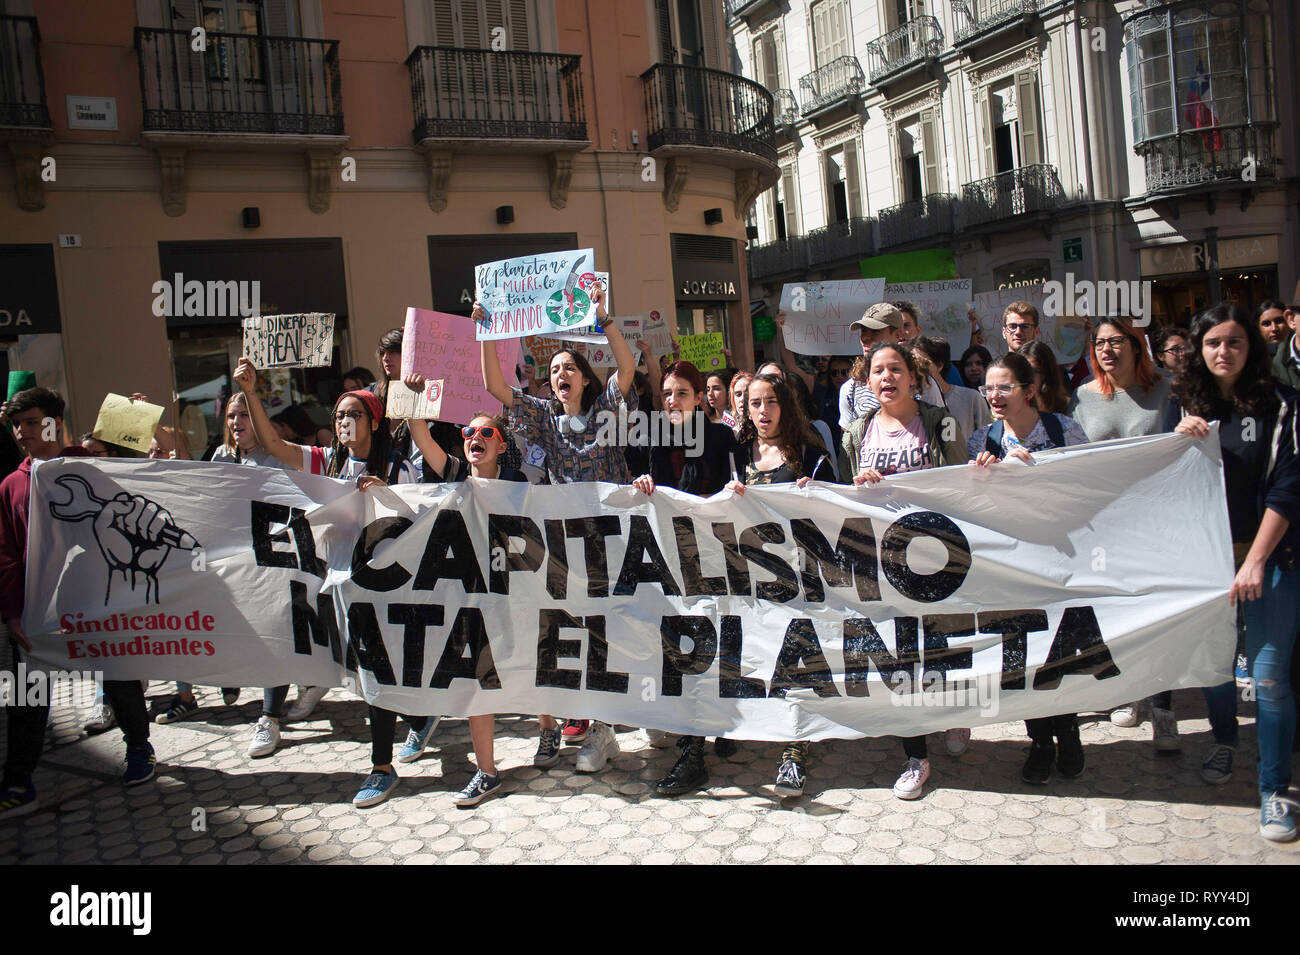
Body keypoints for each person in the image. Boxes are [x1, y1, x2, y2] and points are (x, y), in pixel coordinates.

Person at [234, 358, 433, 808]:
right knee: (367, 671)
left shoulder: (400, 465)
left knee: (377, 670)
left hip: (388, 587)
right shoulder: (325, 461)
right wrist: (250, 391)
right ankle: (416, 717)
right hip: (339, 584)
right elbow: (273, 443)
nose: (343, 422)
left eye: (353, 414)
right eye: (339, 415)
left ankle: (381, 767)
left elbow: (421, 518)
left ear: (374, 421)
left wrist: (386, 495)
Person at [478, 285, 638, 773]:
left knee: (611, 632)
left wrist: (604, 318)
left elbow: (627, 369)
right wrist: (486, 331)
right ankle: (595, 726)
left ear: (587, 380)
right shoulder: (545, 417)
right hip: (565, 546)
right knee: (578, 634)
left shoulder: (607, 410)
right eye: (553, 371)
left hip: (611, 540)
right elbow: (496, 387)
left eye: (569, 368)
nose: (560, 375)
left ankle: (614, 725)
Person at [1168, 304, 1300, 841]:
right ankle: (1225, 742)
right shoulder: (1182, 405)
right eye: (1214, 342)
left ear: (1253, 347)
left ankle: (1274, 790)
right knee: (1217, 670)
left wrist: (1254, 560)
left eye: (1236, 342)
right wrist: (1177, 442)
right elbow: (1157, 484)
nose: (1225, 352)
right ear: (1199, 350)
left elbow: (1289, 487)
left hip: (1270, 564)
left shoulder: (1282, 405)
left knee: (1268, 678)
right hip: (1206, 566)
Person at [2, 388, 156, 821]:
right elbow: (7, 555)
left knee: (118, 679)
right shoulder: (12, 485)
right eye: (16, 424)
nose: (22, 431)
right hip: (36, 614)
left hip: (93, 603)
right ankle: (17, 782)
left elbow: (143, 482)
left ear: (55, 422)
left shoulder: (87, 465)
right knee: (27, 698)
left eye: (32, 422)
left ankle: (139, 748)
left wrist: (133, 416)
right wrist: (13, 612)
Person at [840, 343, 970, 801]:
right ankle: (916, 755)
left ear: (913, 377)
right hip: (886, 563)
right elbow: (845, 500)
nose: (887, 377)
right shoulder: (856, 432)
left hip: (940, 555)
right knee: (903, 654)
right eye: (878, 371)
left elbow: (961, 483)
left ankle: (957, 710)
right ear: (868, 380)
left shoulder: (940, 422)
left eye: (896, 369)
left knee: (943, 641)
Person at [968, 353, 1090, 783]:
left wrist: (1036, 473)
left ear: (1030, 389)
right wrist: (981, 479)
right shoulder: (981, 441)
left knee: (1059, 651)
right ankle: (1039, 740)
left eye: (1005, 387)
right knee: (1021, 655)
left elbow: (1088, 487)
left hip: (1059, 561)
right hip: (1009, 569)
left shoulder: (1063, 429)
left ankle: (1068, 731)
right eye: (989, 388)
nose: (995, 396)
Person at [1068, 316, 1180, 747]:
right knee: (1117, 614)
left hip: (1155, 523)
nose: (1107, 350)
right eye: (1099, 343)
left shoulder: (1167, 389)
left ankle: (1164, 707)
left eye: (1116, 342)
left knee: (1160, 615)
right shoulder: (1082, 396)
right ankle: (1129, 692)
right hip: (1104, 526)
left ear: (1137, 347)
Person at [630, 361, 739, 795]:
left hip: (715, 558)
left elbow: (737, 485)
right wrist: (644, 484)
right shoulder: (656, 439)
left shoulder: (722, 437)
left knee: (716, 642)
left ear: (700, 397)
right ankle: (694, 746)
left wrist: (734, 492)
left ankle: (708, 736)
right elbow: (653, 485)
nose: (672, 402)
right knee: (686, 648)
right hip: (673, 561)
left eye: (680, 393)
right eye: (666, 394)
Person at [725, 373, 835, 798]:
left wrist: (818, 493)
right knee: (761, 659)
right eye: (755, 403)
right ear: (746, 410)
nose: (763, 410)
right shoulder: (735, 454)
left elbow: (841, 512)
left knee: (796, 664)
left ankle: (795, 752)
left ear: (785, 404)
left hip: (801, 582)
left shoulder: (810, 453)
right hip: (751, 581)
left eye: (771, 401)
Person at [426, 412, 530, 807]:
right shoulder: (456, 475)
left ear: (502, 445)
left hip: (517, 592)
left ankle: (548, 727)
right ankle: (486, 772)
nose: (476, 437)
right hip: (473, 593)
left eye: (487, 432)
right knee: (477, 678)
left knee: (530, 668)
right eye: (469, 431)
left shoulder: (518, 482)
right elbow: (423, 438)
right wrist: (417, 400)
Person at [207, 389, 298, 758]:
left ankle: (269, 717)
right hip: (232, 563)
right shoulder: (219, 457)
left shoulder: (278, 458)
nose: (236, 423)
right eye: (231, 416)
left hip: (269, 562)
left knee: (273, 635)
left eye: (244, 415)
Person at [839, 304, 943, 430]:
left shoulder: (923, 382)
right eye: (864, 330)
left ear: (898, 335)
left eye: (875, 331)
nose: (865, 337)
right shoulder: (850, 389)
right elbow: (847, 443)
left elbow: (945, 428)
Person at [911, 336, 991, 452]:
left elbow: (987, 439)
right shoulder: (909, 403)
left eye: (922, 363)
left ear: (939, 365)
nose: (916, 369)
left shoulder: (971, 398)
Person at [1017, 340, 1071, 415]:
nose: (1026, 376)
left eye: (1033, 371)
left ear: (1046, 374)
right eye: (1021, 370)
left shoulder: (1069, 407)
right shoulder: (1010, 407)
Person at [728, 371, 753, 437]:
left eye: (747, 394)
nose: (742, 399)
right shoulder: (728, 428)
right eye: (738, 394)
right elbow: (699, 446)